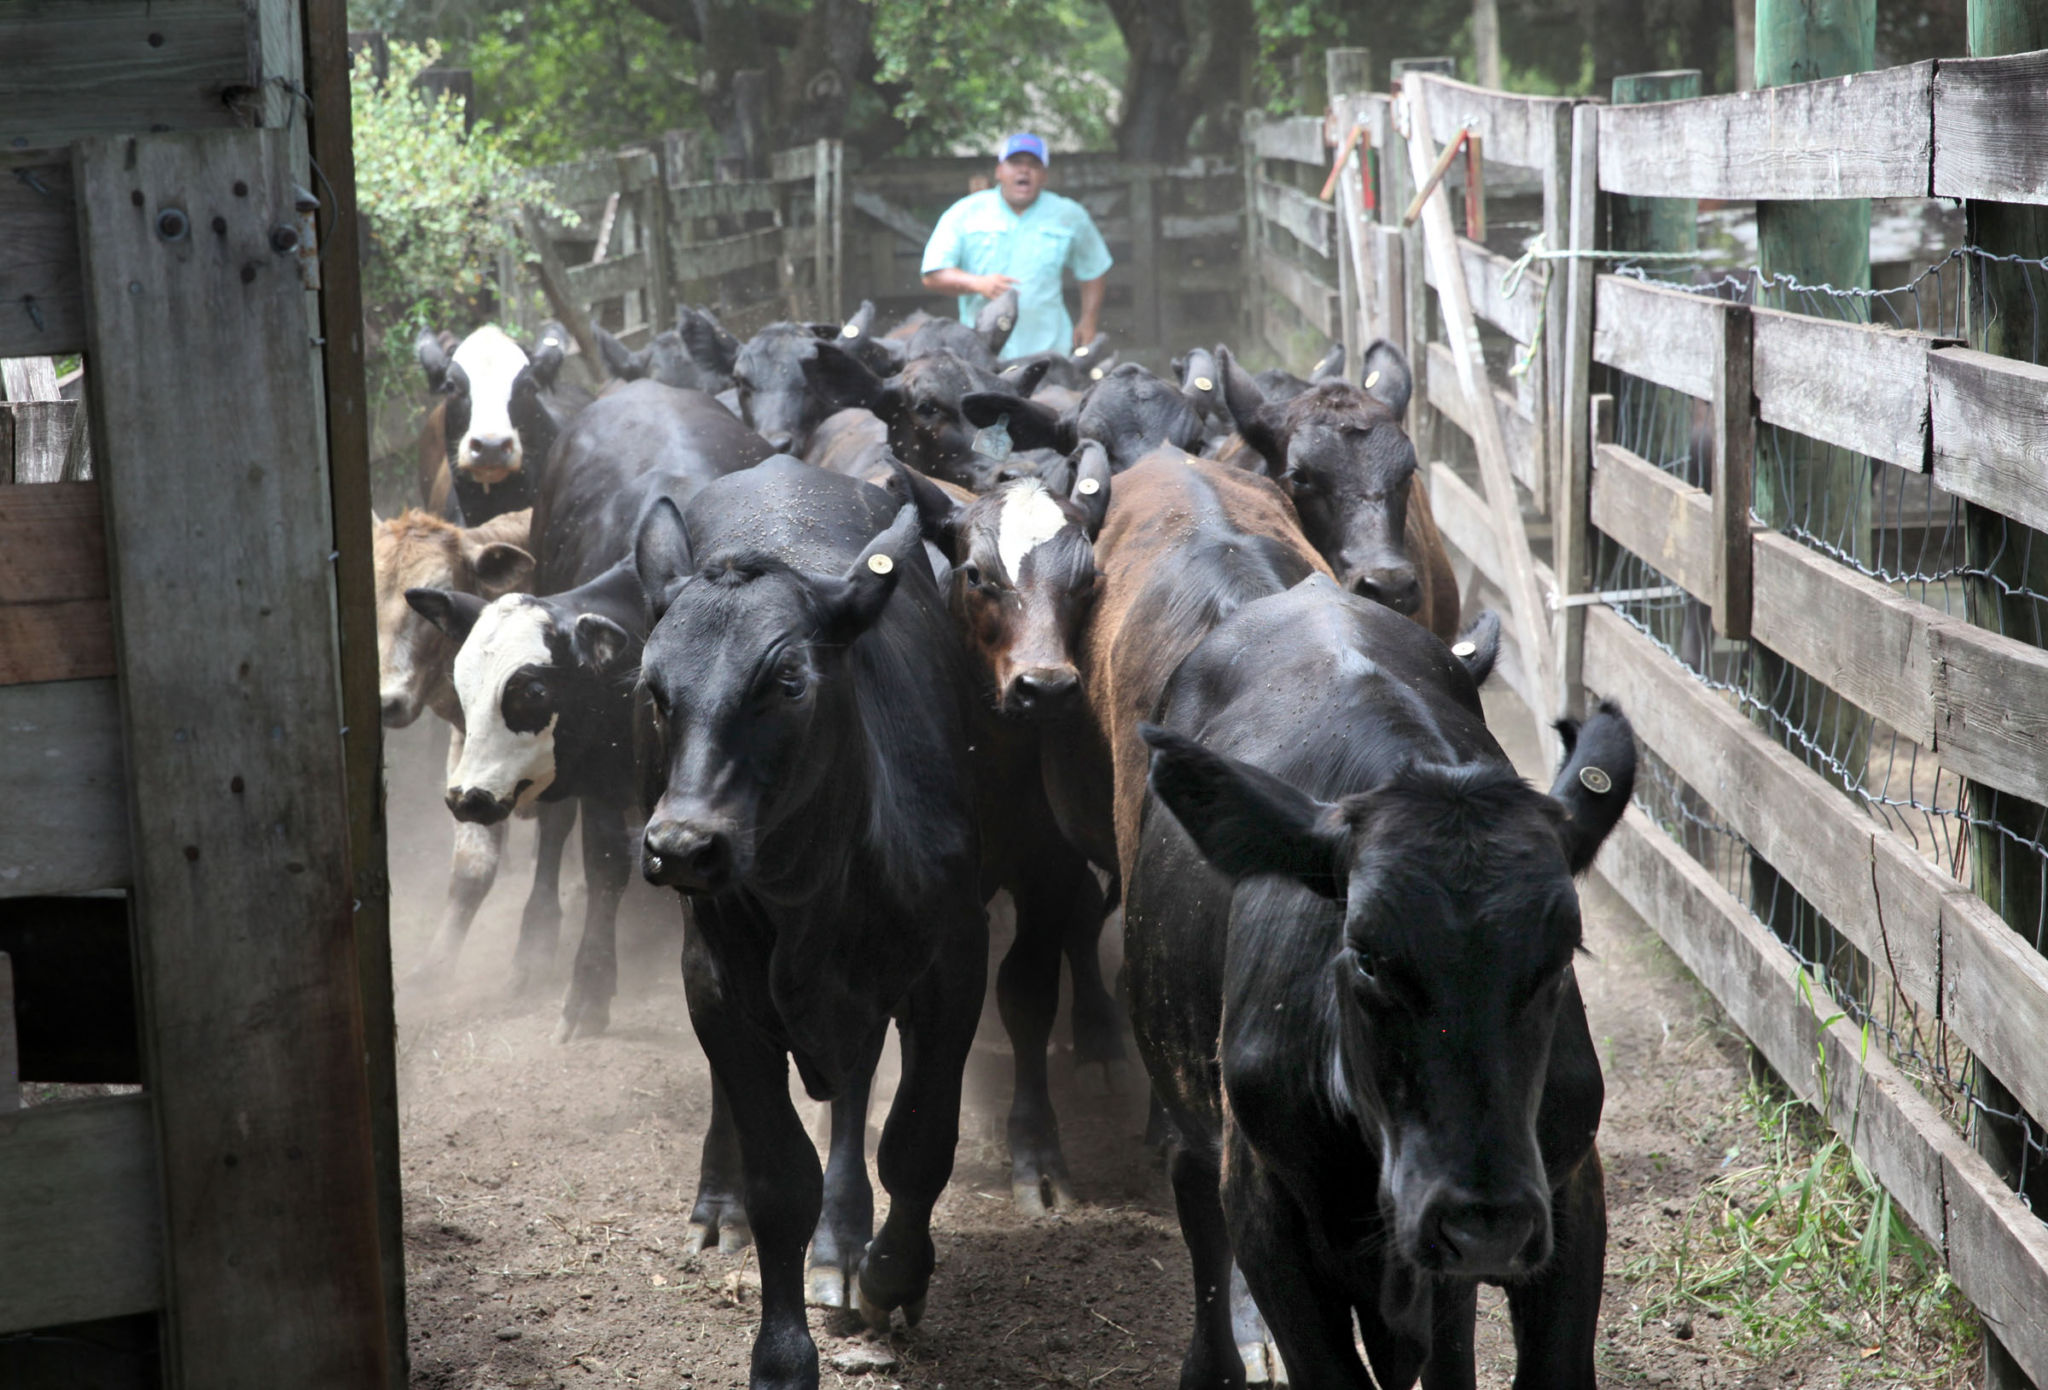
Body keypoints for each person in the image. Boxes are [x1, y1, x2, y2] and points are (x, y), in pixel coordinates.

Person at [921, 133, 1112, 360]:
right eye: (1015, 163)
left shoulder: (1069, 215)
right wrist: (977, 283)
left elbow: (1094, 269)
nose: (1024, 170)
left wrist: (1088, 320)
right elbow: (932, 274)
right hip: (980, 355)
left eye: (1033, 164)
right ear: (999, 171)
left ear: (1044, 175)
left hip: (1049, 353)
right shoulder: (964, 213)